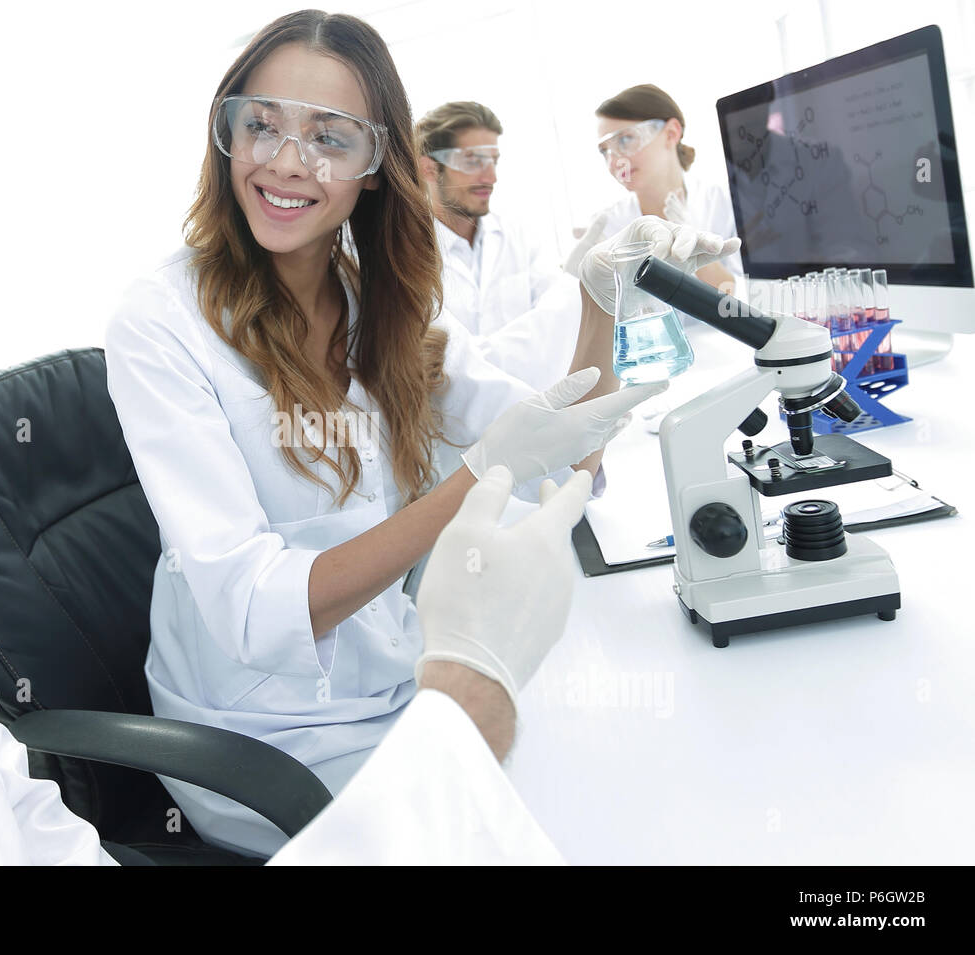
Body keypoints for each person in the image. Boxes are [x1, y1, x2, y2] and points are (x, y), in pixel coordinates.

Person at [104, 11, 734, 856]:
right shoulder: (163, 322)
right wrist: (473, 478)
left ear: (374, 166)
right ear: (228, 132)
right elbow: (254, 608)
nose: (287, 161)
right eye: (261, 124)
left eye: (329, 136)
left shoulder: (377, 304)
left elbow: (563, 451)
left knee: (632, 785)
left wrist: (598, 304)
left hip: (393, 681)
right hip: (260, 739)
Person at [414, 101, 581, 394]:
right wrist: (534, 340)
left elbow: (564, 328)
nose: (490, 177)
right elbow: (435, 370)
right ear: (430, 168)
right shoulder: (403, 255)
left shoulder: (520, 236)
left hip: (540, 411)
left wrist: (473, 360)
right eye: (472, 161)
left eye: (493, 160)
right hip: (456, 432)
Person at [568, 84, 742, 292]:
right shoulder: (607, 227)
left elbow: (745, 301)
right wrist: (592, 281)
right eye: (605, 151)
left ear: (671, 133)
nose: (614, 162)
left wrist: (700, 253)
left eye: (625, 139)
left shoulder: (723, 203)